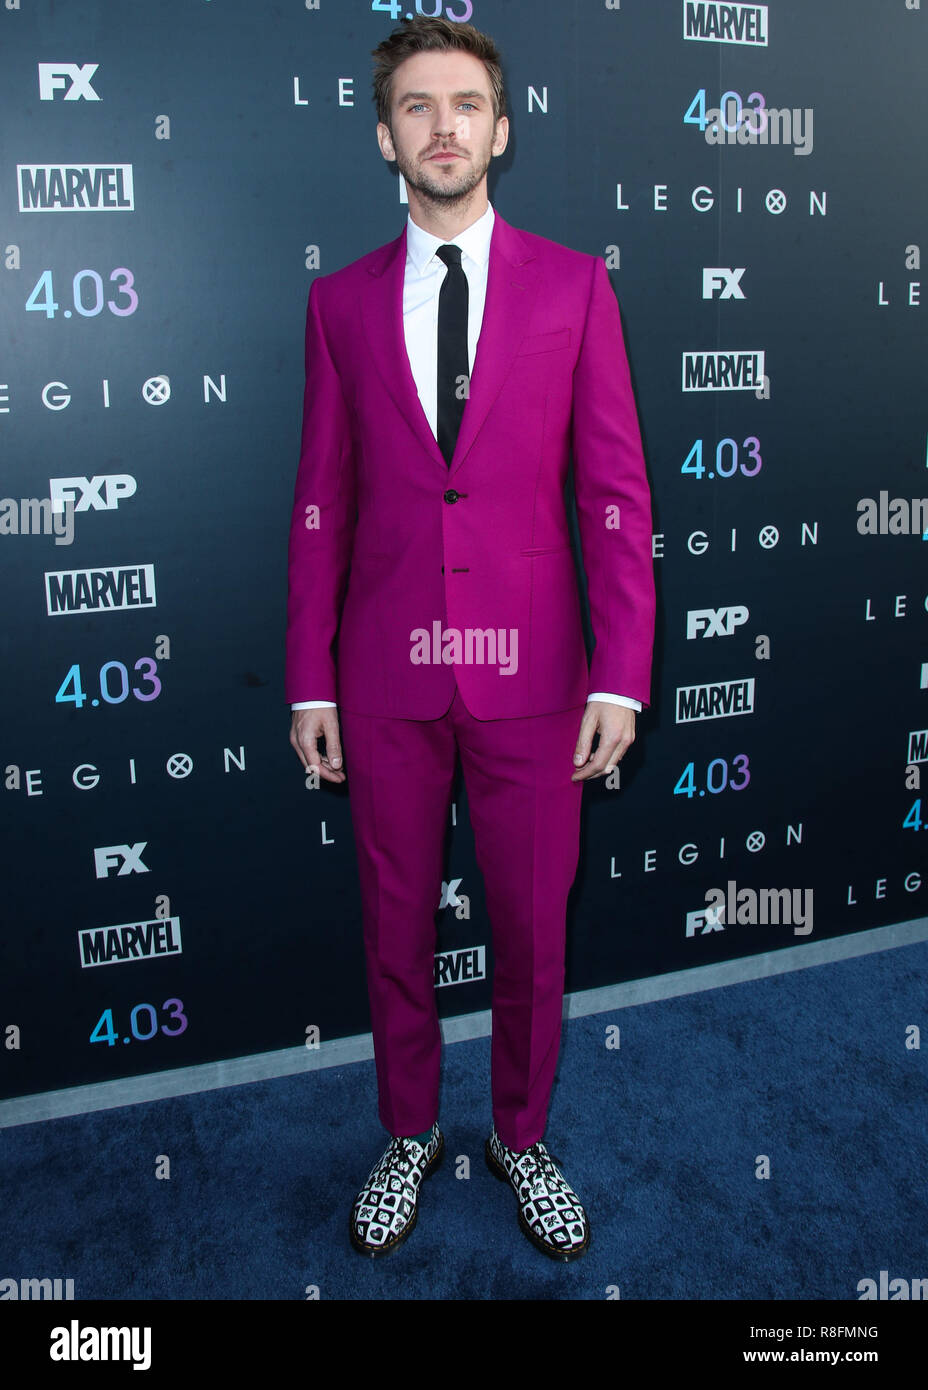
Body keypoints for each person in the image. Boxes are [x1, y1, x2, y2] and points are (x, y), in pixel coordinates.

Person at [286, 15, 655, 1262]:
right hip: (383, 676)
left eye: (465, 106)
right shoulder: (335, 304)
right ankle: (406, 1131)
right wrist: (305, 681)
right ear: (385, 135)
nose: (442, 127)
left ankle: (520, 1131)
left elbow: (614, 493)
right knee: (394, 919)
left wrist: (623, 670)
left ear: (500, 129)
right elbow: (319, 501)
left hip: (540, 676)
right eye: (416, 107)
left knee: (533, 927)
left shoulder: (574, 286)